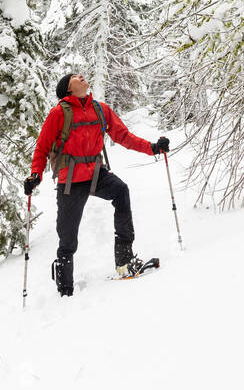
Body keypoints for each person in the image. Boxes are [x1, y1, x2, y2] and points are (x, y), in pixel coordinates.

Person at [24, 72, 169, 296]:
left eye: (81, 75)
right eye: (75, 77)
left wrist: (152, 148)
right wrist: (35, 175)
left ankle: (124, 262)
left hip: (95, 173)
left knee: (121, 191)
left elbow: (124, 136)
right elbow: (42, 148)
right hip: (70, 181)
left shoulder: (100, 109)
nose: (81, 76)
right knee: (67, 237)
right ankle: (65, 288)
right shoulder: (58, 113)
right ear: (68, 90)